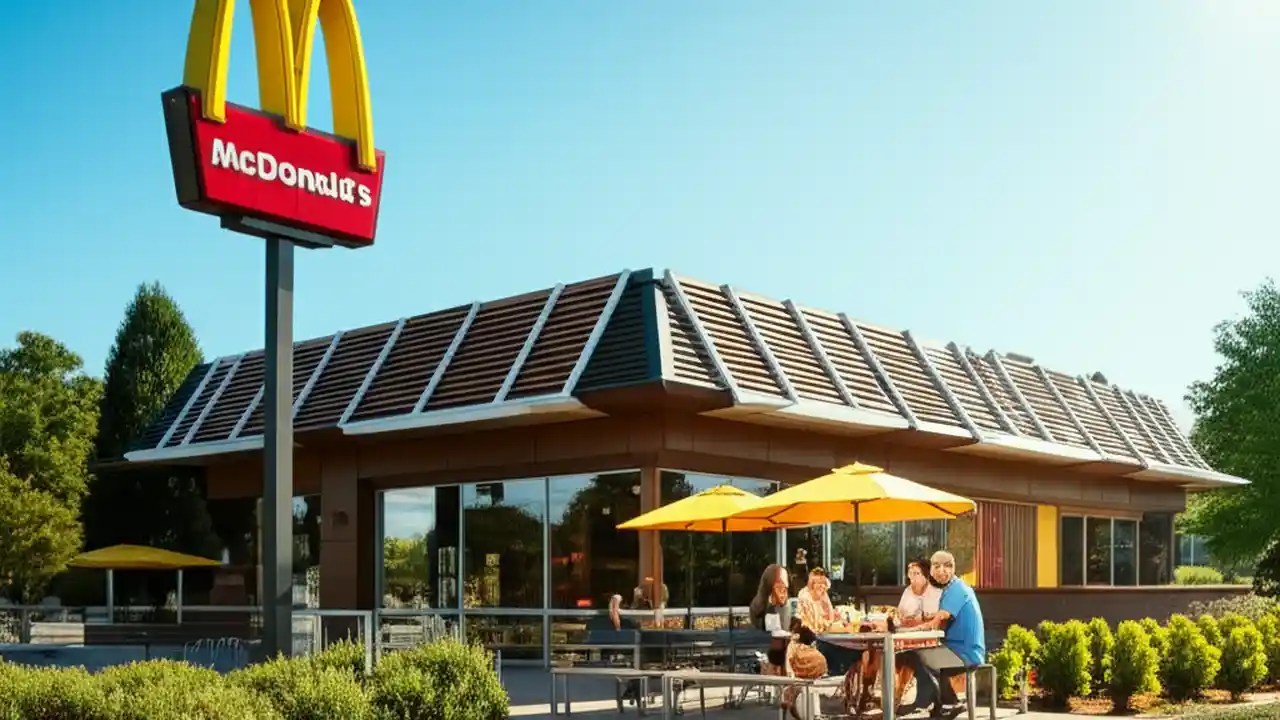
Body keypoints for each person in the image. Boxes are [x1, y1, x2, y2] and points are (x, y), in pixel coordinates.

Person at [906, 550, 987, 718]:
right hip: (959, 648)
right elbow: (938, 617)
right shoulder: (953, 588)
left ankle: (937, 703)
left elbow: (939, 620)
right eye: (936, 567)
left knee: (915, 655)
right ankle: (945, 702)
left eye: (945, 567)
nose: (940, 572)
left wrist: (912, 630)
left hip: (965, 652)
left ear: (952, 568)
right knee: (921, 654)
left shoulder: (956, 589)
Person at [748, 564, 792, 675]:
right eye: (780, 583)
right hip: (766, 645)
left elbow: (785, 628)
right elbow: (769, 631)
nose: (785, 586)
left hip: (782, 646)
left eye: (785, 584)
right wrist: (771, 607)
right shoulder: (760, 604)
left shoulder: (786, 604)